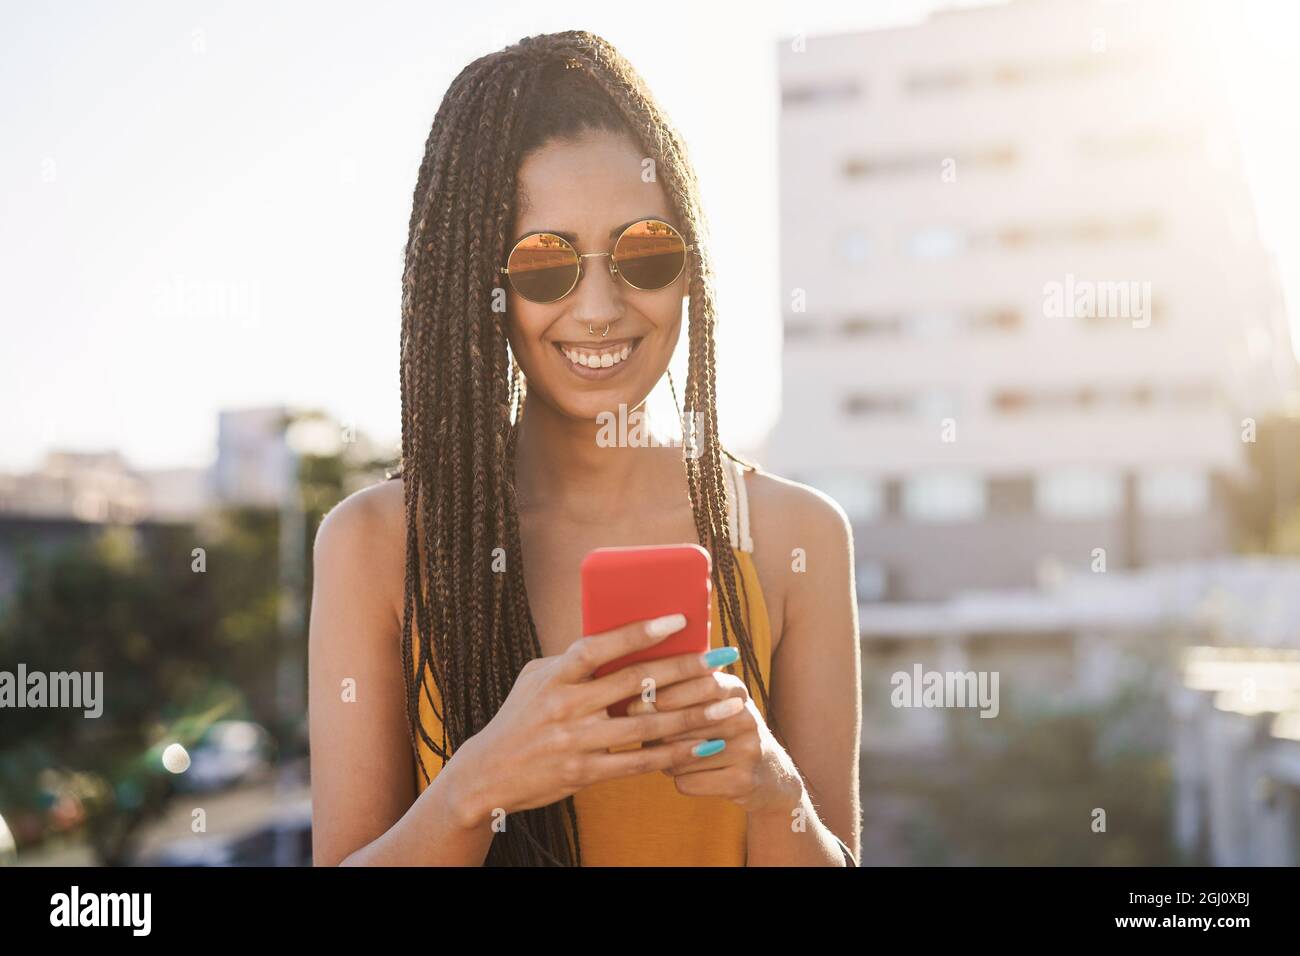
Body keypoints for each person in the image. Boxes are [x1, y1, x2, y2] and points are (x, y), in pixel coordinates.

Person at [308, 30, 861, 866]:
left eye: (644, 253)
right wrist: (476, 787)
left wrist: (772, 789)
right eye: (544, 264)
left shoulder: (796, 537)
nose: (600, 307)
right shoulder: (377, 544)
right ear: (480, 285)